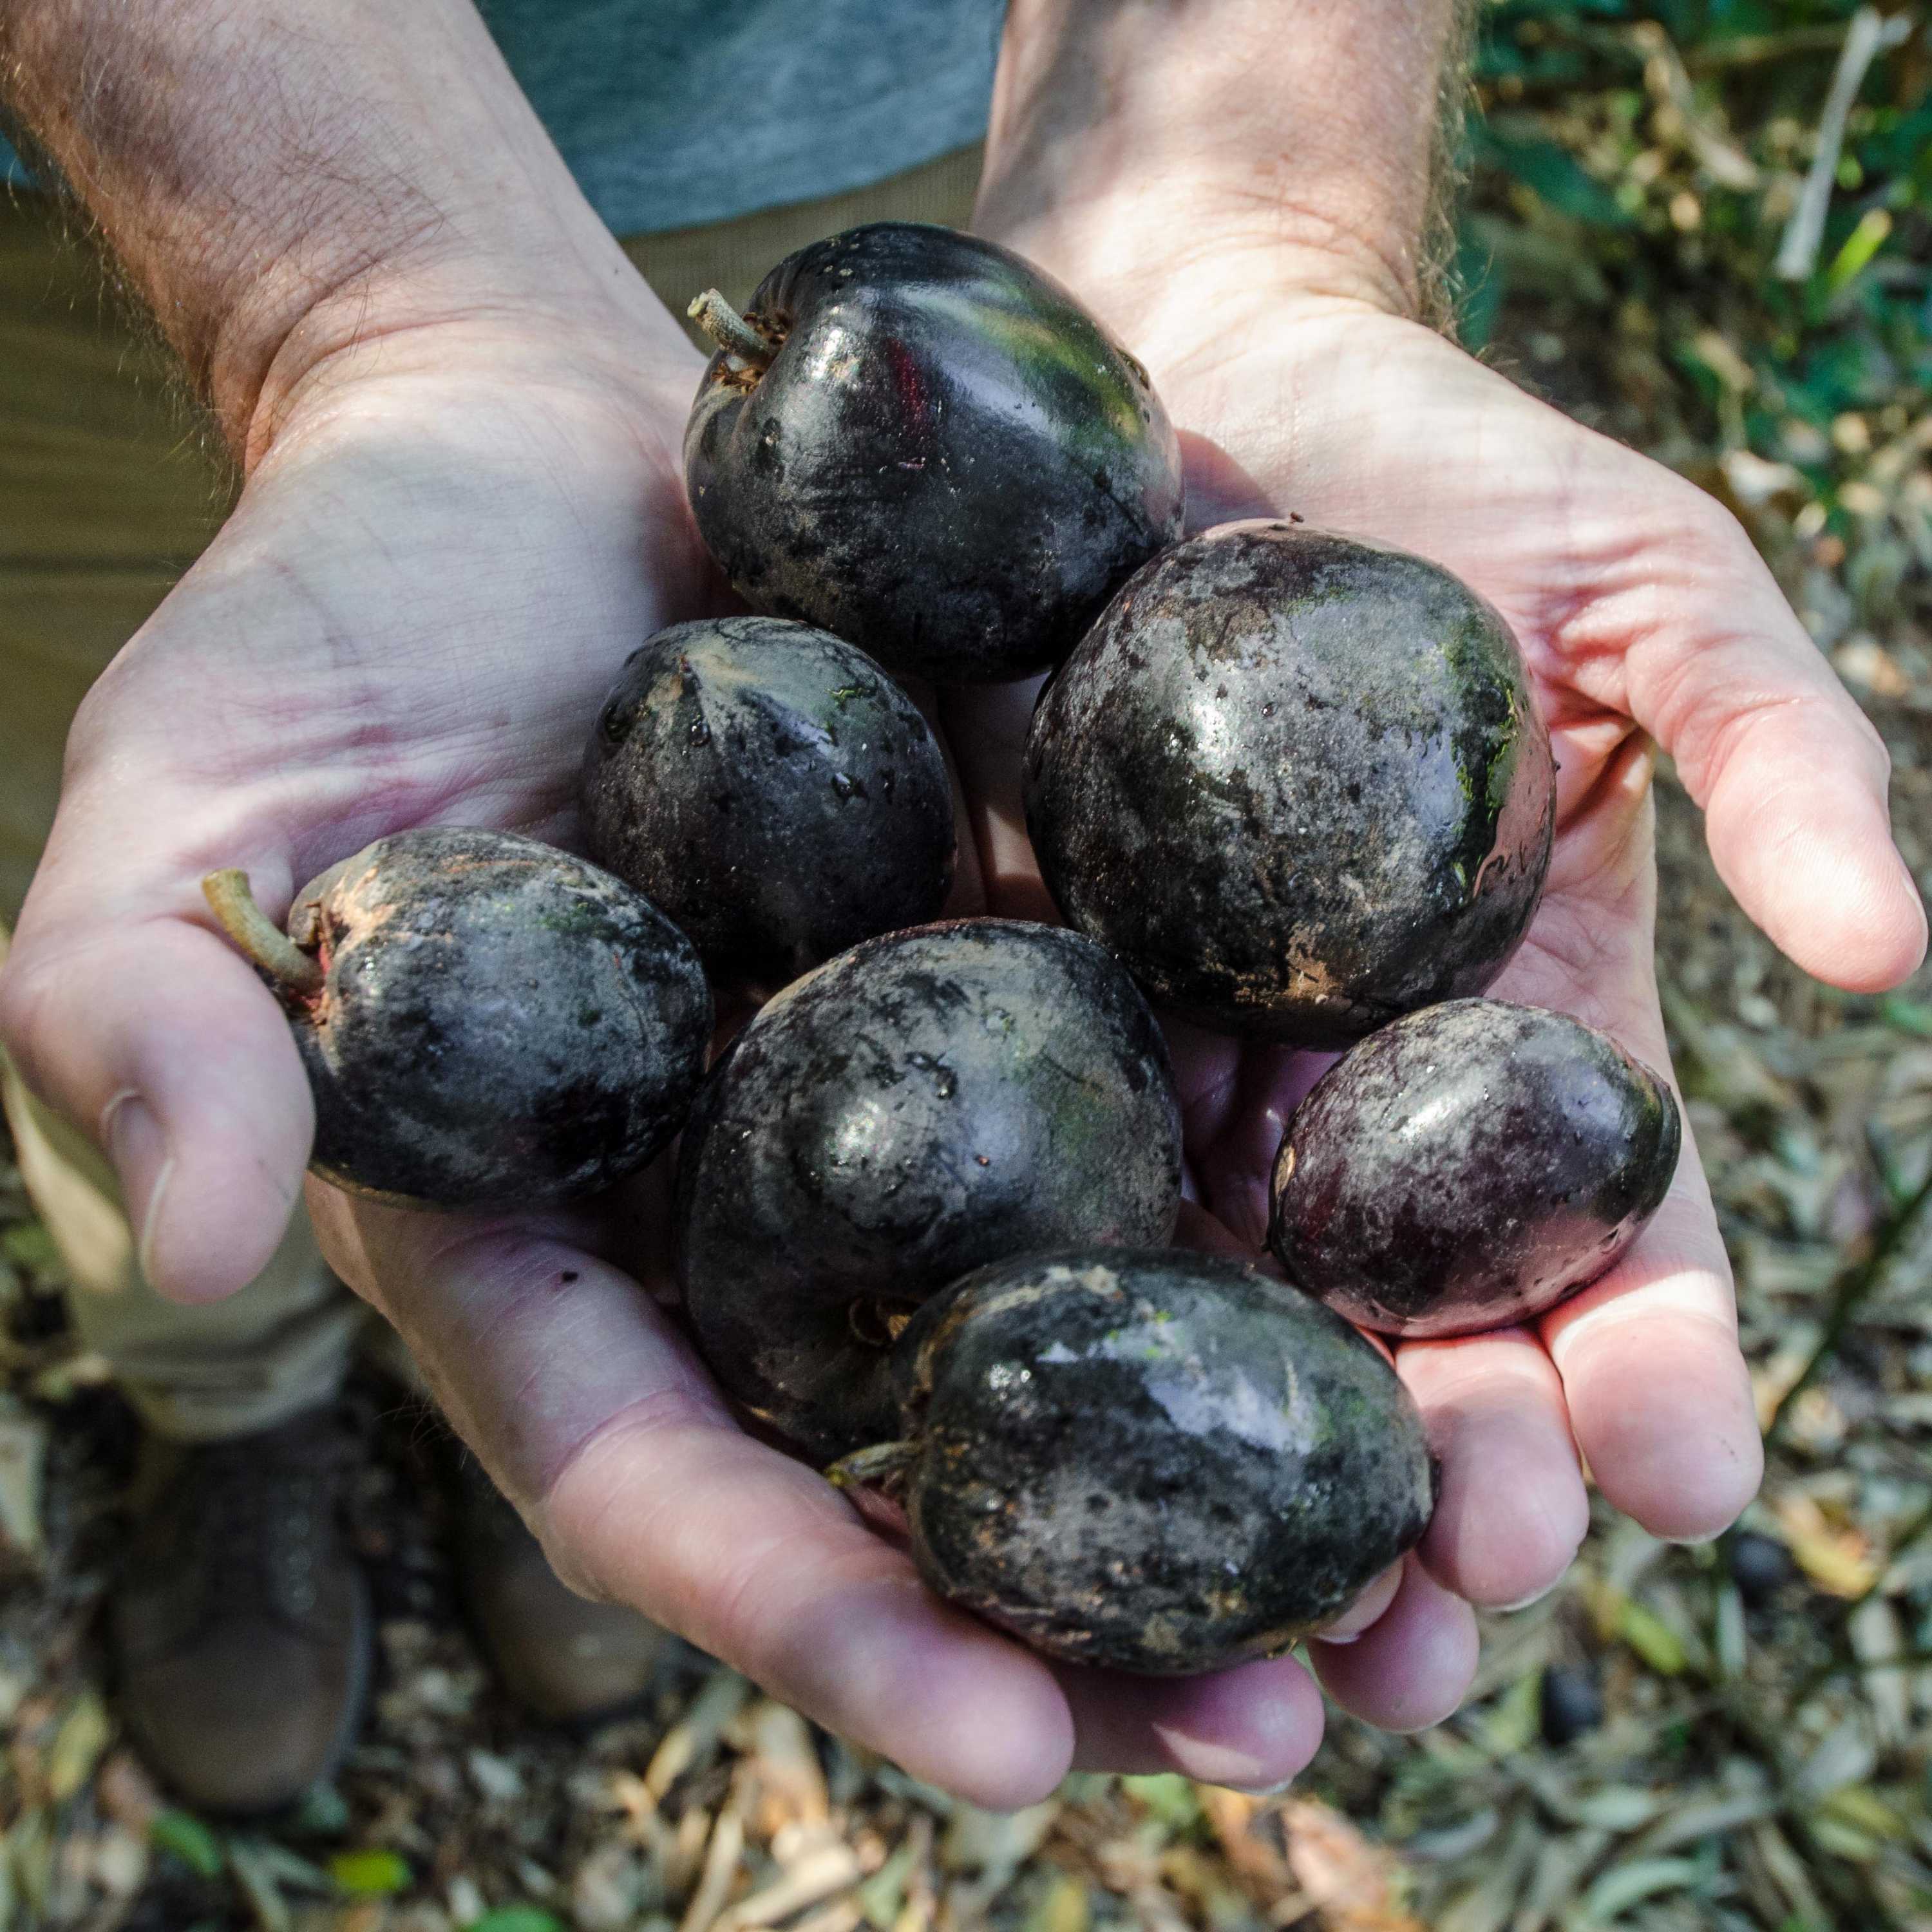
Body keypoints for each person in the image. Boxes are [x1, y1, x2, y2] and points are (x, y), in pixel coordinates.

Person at [0, 0, 1921, 1819]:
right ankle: (229, 1407)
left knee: (310, 1083)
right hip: (164, 164)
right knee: (163, 1010)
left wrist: (1252, 217)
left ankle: (408, 1428)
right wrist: (339, 311)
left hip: (890, 146)